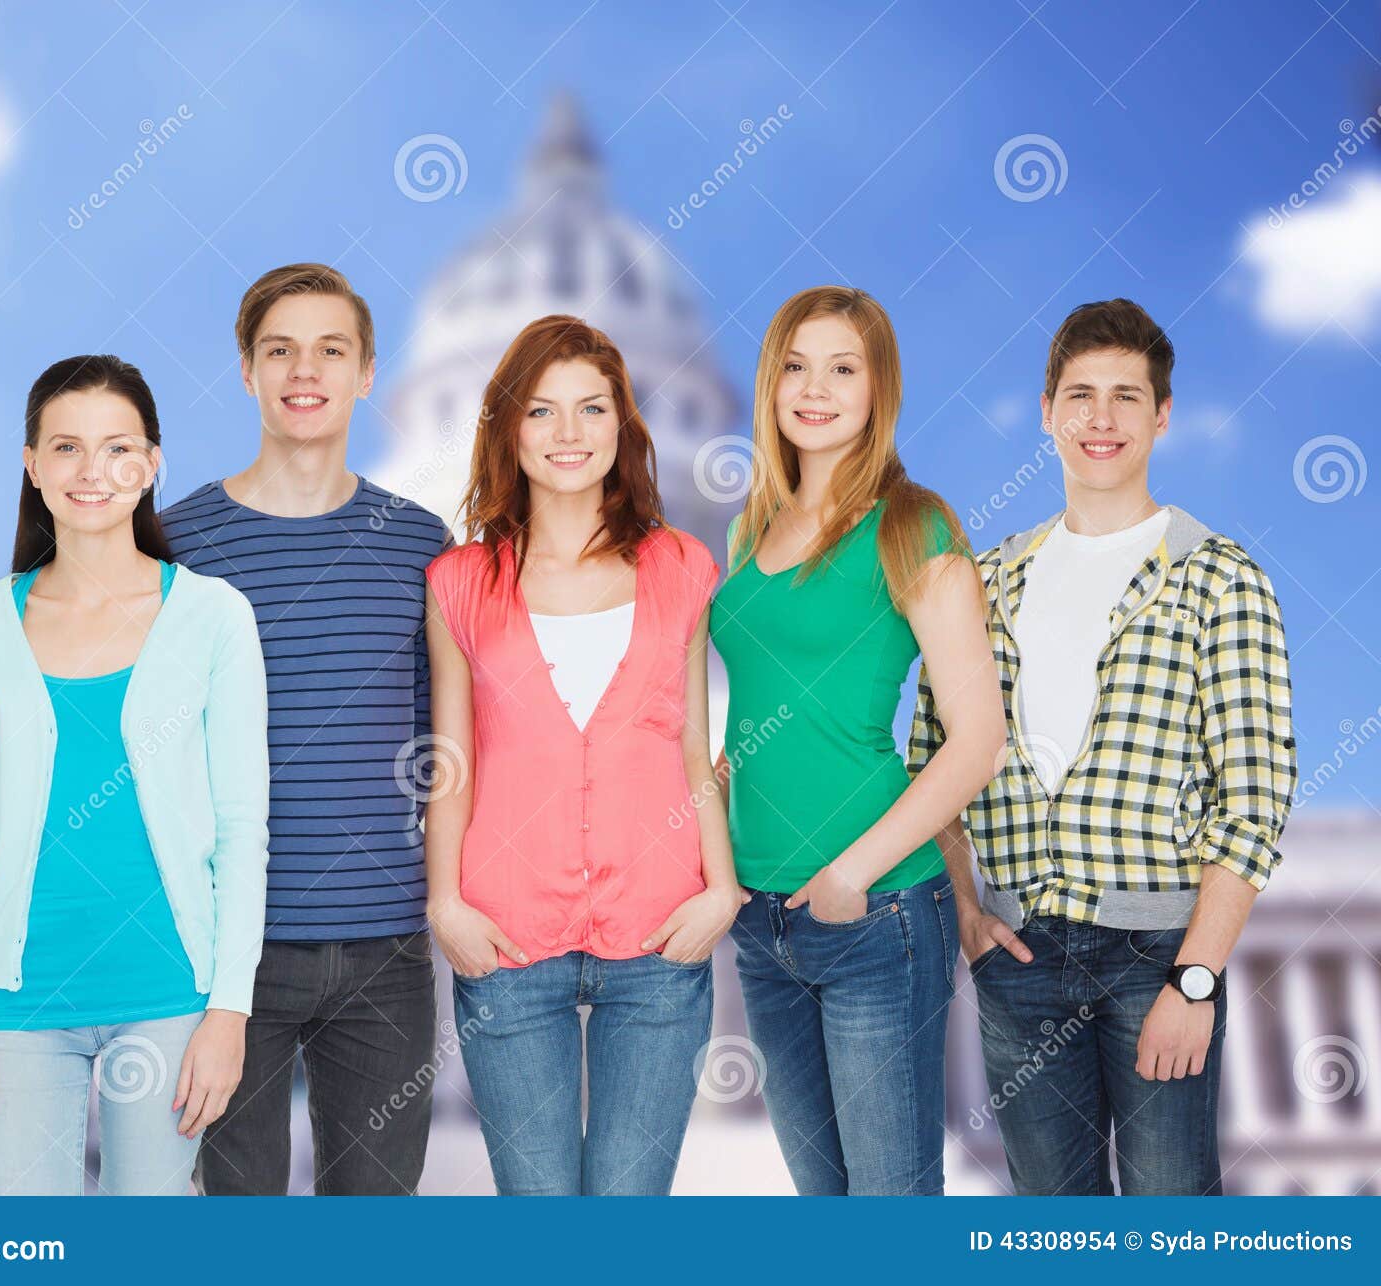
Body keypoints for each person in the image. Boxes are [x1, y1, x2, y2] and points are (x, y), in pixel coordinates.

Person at [910, 298, 1297, 1195]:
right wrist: (967, 913)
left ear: (1163, 416)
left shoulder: (1219, 576)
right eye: (1080, 395)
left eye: (1127, 396)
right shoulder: (990, 577)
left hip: (1156, 957)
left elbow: (1254, 796)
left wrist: (1195, 981)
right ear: (1047, 412)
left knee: (1171, 1225)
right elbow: (933, 762)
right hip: (1019, 957)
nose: (1101, 418)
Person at [0, 354, 270, 1196]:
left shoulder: (215, 617)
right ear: (33, 465)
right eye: (67, 448)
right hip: (16, 998)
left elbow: (241, 827)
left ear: (152, 465)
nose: (94, 472)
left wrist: (229, 1009)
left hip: (167, 993)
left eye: (119, 449)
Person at [423, 314, 739, 1196]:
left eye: (591, 409)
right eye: (542, 412)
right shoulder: (461, 581)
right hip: (507, 937)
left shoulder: (682, 564)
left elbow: (690, 741)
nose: (569, 435)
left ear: (623, 426)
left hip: (660, 935)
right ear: (508, 430)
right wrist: (444, 902)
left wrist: (721, 889)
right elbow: (452, 754)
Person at [162, 264, 452, 1195]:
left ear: (368, 373)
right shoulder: (175, 544)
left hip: (387, 957)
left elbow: (436, 746)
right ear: (246, 371)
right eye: (280, 349)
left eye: (332, 349)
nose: (305, 370)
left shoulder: (420, 541)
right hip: (224, 962)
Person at [709, 285, 1005, 1195]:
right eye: (795, 366)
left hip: (875, 913)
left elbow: (978, 739)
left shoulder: (913, 524)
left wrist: (851, 875)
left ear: (880, 390)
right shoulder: (746, 529)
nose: (815, 388)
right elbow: (764, 711)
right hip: (762, 921)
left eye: (844, 368)